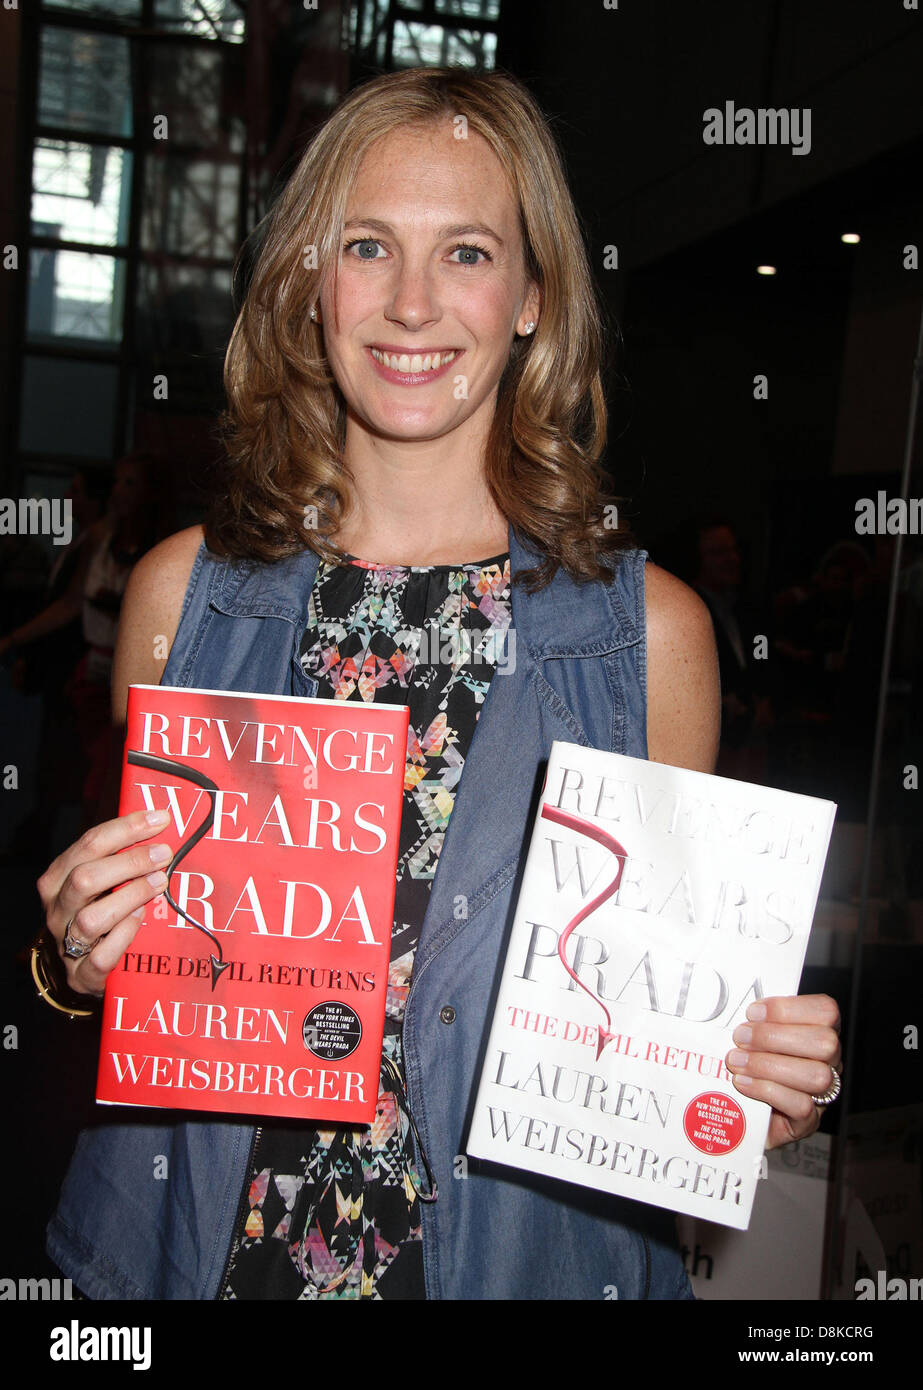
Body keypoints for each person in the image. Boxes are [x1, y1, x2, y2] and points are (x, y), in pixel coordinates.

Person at [35, 66, 841, 1301]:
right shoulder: (182, 595)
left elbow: (649, 1065)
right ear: (314, 282)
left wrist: (745, 1084)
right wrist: (79, 962)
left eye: (465, 251)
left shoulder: (646, 638)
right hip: (198, 1262)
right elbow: (153, 1000)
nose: (411, 305)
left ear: (530, 297)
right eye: (367, 245)